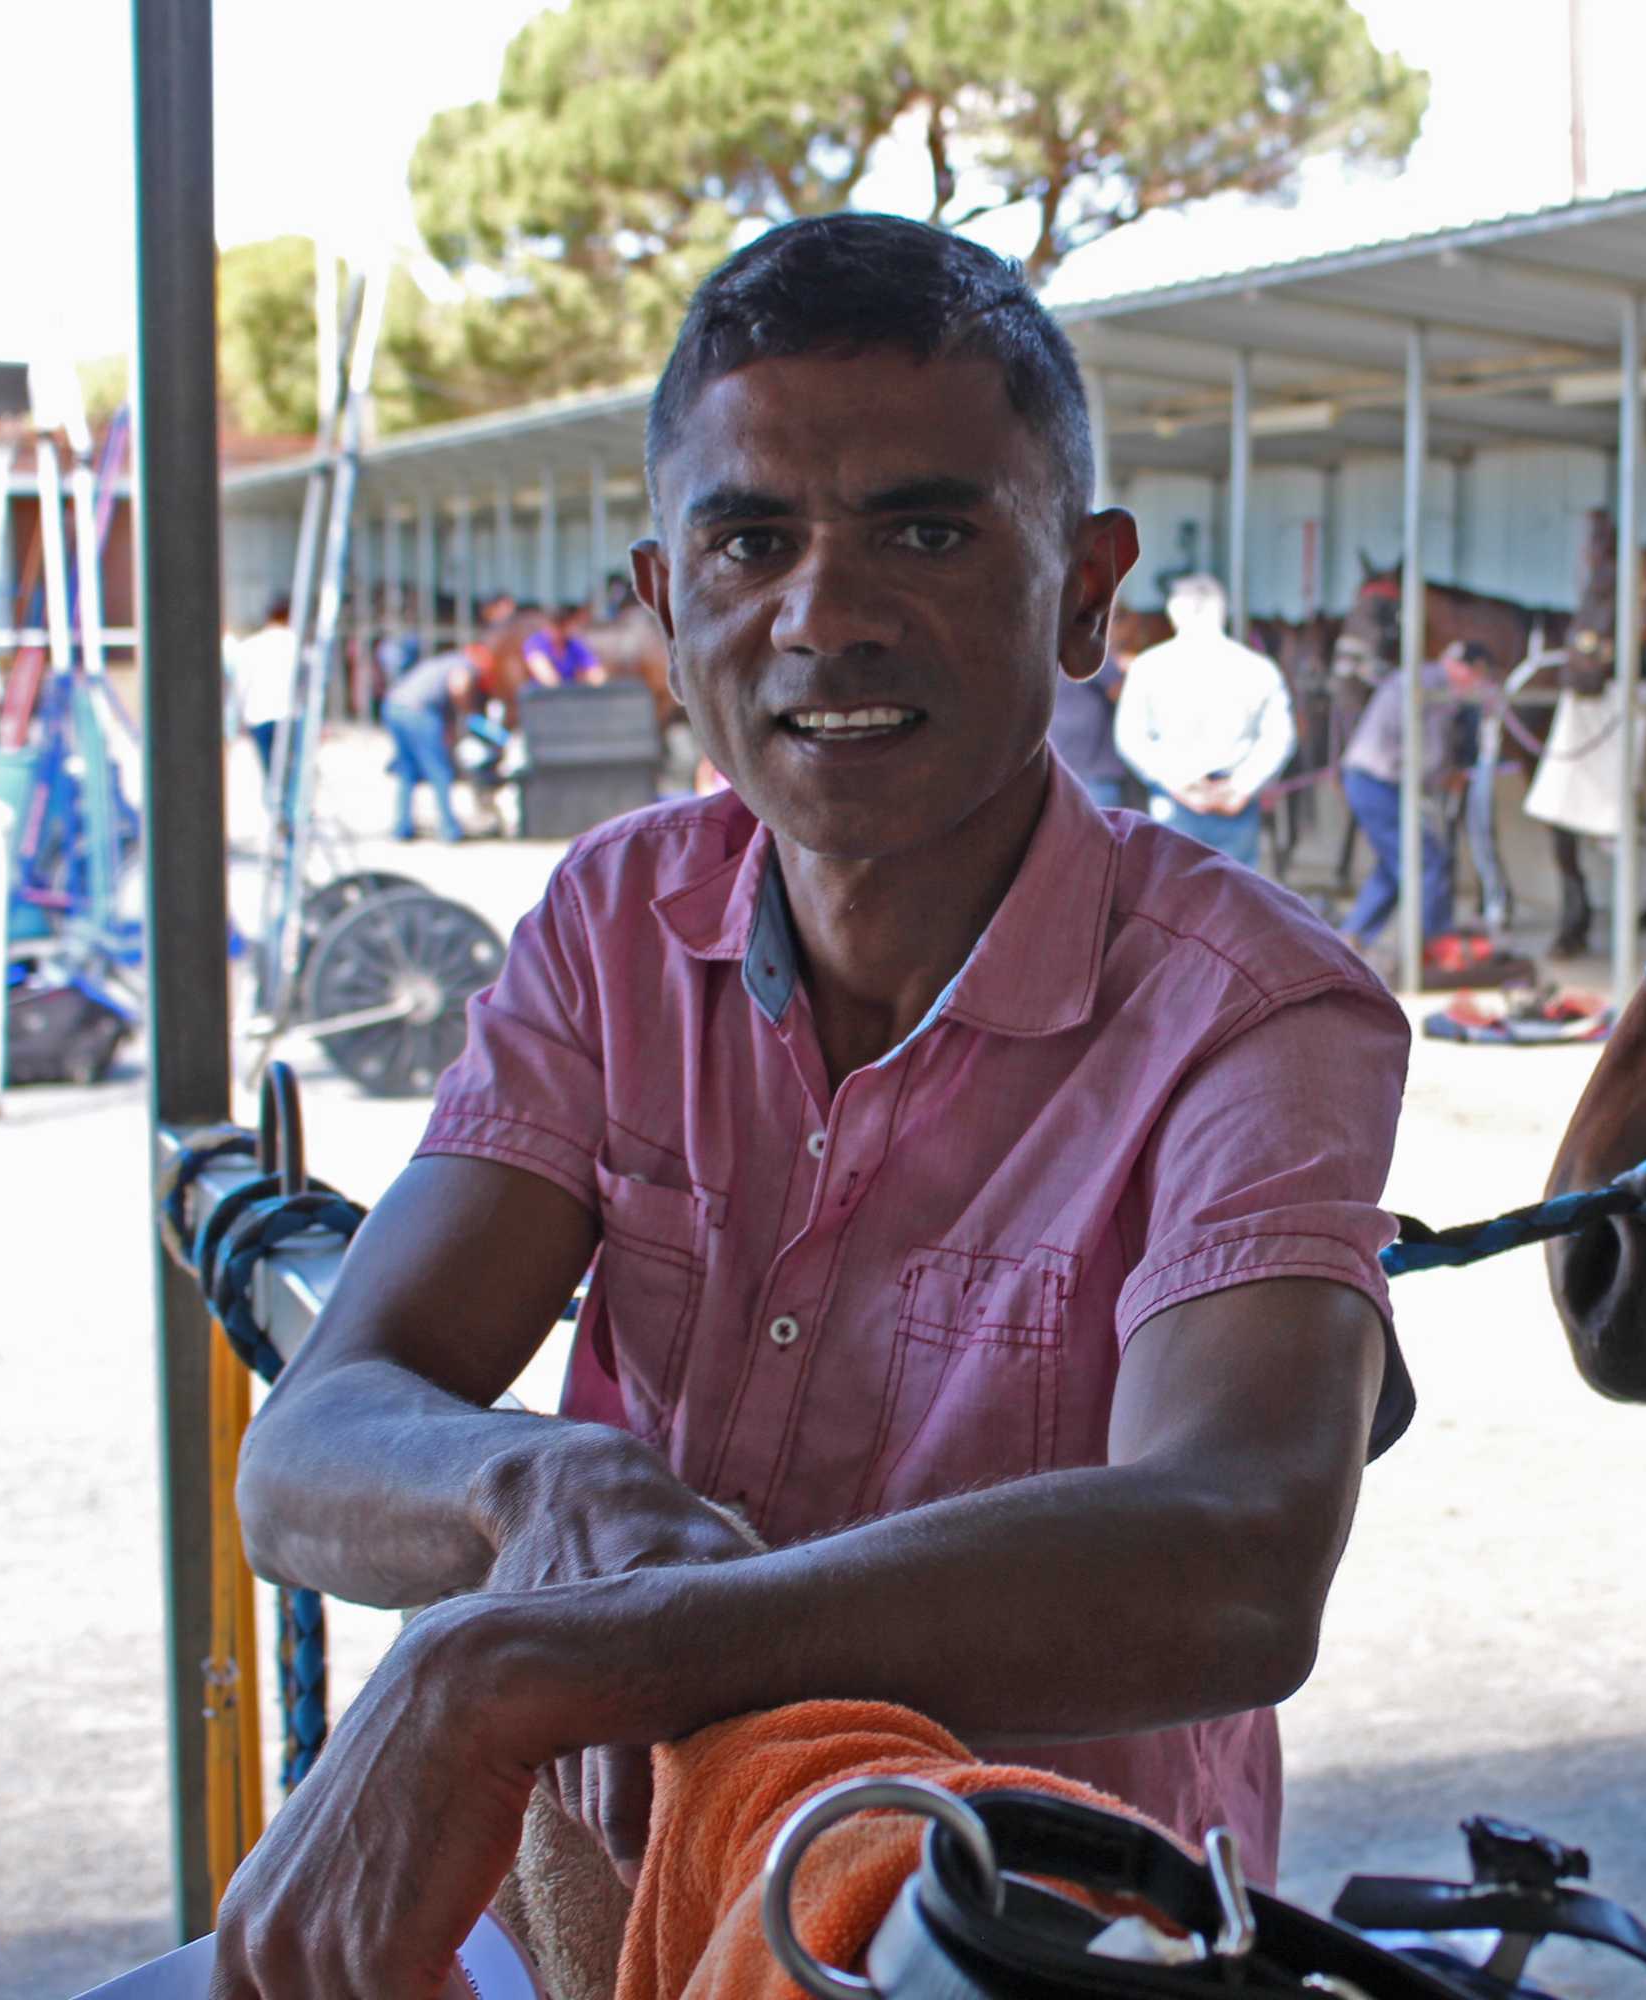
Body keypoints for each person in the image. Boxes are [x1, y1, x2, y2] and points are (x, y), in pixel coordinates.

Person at [207, 212, 1414, 2000]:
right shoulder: (616, 922)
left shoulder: (1253, 1007)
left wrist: (559, 1657)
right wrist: (546, 1482)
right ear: (663, 605)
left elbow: (1239, 1555)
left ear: (1087, 593)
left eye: (926, 533)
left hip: (1012, 1947)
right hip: (613, 1929)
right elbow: (312, 1444)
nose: (824, 618)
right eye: (750, 542)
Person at [1110, 574, 1293, 866]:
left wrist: (1177, 783)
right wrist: (1244, 786)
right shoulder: (1259, 668)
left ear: (1174, 613)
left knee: (1170, 891)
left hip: (1174, 800)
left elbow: (1130, 737)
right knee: (1237, 890)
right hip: (1235, 802)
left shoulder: (1149, 667)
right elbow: (1279, 737)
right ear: (1222, 612)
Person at [1338, 640, 1487, 954]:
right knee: (1426, 860)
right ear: (1466, 669)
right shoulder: (1434, 689)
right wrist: (1448, 775)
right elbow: (1428, 753)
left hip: (1369, 779)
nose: (1476, 685)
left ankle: (1351, 936)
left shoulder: (1423, 677)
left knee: (1393, 866)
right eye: (1477, 677)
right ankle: (1434, 944)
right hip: (1378, 782)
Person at [382, 645, 477, 843]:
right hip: (419, 712)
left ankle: (402, 827)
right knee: (439, 770)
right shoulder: (464, 664)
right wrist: (467, 712)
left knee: (407, 771)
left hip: (393, 706)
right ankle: (448, 828)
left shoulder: (440, 661)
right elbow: (459, 687)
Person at [224, 593, 298, 779]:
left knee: (270, 772)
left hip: (258, 714)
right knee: (291, 771)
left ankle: (275, 796)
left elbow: (241, 684)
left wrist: (237, 718)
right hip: (288, 712)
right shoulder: (295, 642)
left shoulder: (250, 645)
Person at [1047, 653, 1128, 810]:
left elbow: (1121, 692)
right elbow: (1124, 693)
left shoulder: (1080, 653)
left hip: (1092, 774)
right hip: (1072, 775)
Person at [523, 601, 601, 686]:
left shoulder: (574, 644)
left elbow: (597, 674)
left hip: (569, 691)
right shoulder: (536, 643)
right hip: (543, 693)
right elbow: (547, 679)